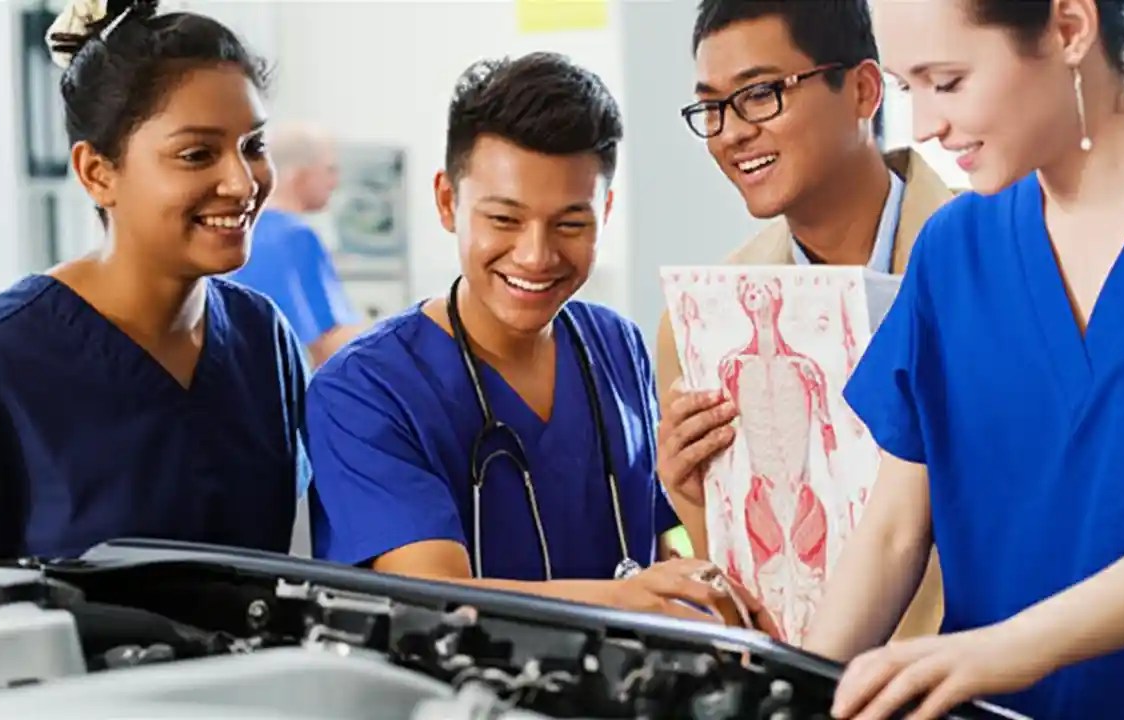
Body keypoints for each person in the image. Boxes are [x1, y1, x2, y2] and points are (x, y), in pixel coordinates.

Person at [808, 1, 1124, 718]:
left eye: (949, 80)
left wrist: (1016, 645)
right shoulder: (954, 249)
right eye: (910, 89)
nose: (926, 125)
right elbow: (896, 532)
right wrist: (795, 689)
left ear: (1067, 28)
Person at [307, 52, 774, 630]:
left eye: (570, 224)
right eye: (504, 220)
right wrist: (625, 603)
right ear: (448, 203)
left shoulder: (615, 346)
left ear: (604, 210)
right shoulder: (365, 388)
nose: (536, 255)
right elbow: (429, 595)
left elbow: (655, 547)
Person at [0, 0, 306, 562]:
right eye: (196, 154)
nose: (241, 182)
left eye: (253, 146)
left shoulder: (262, 340)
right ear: (96, 172)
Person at [655, 0, 952, 643]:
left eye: (761, 94)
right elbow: (754, 595)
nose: (732, 132)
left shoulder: (987, 260)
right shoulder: (700, 323)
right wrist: (692, 493)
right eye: (713, 107)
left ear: (864, 90)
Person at [227, 122, 365, 368]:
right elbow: (332, 344)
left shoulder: (239, 234)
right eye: (330, 170)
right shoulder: (295, 237)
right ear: (299, 175)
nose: (335, 182)